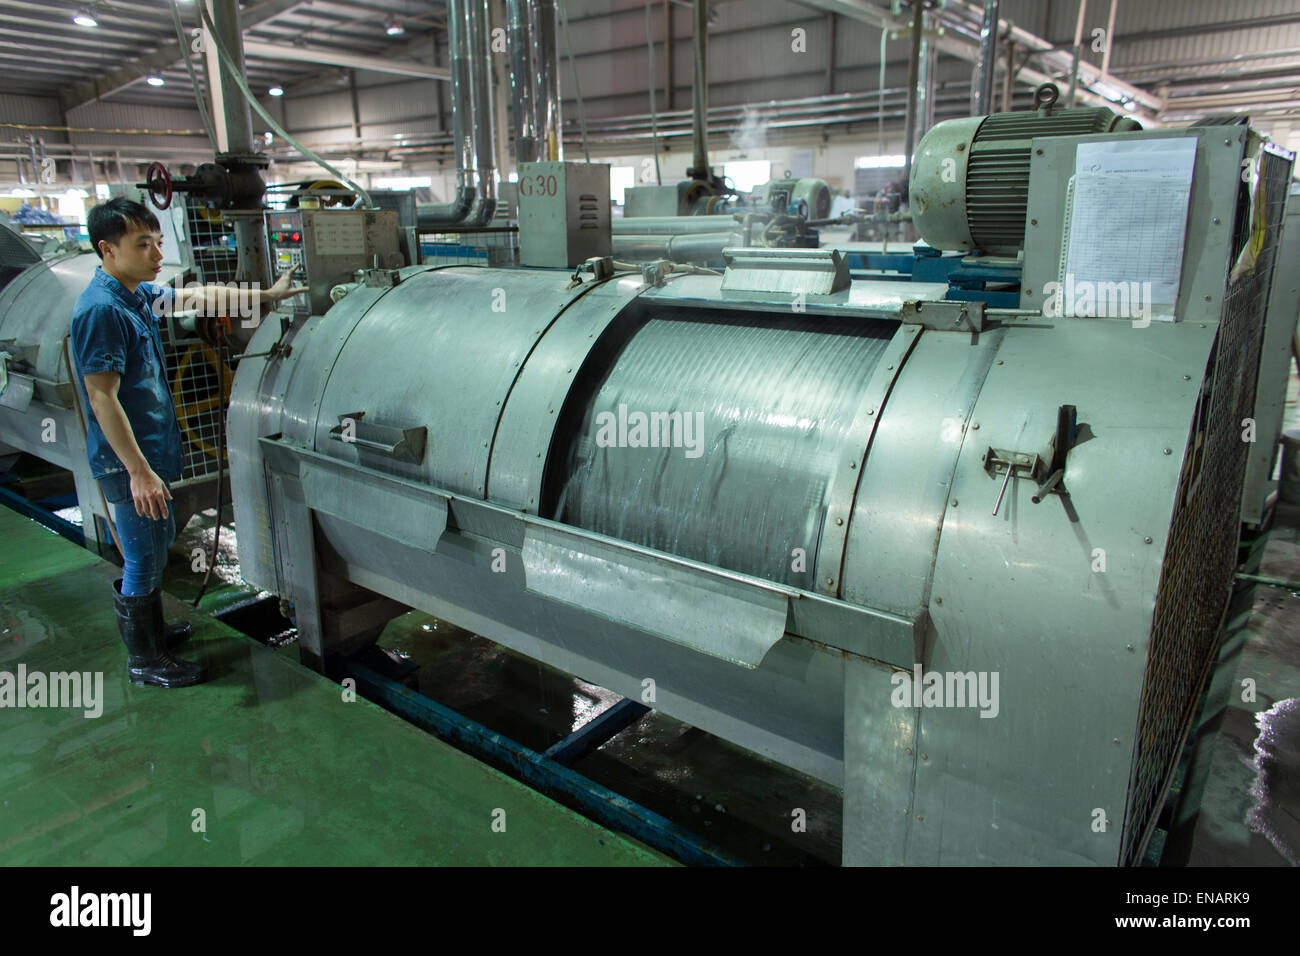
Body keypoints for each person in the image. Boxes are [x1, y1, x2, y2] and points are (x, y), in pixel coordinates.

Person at [70, 197, 305, 688]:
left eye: (158, 241)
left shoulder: (135, 294)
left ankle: (154, 634)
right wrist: (137, 470)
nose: (157, 253)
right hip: (127, 463)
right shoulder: (101, 310)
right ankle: (145, 661)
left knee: (154, 548)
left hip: (150, 452)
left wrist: (268, 294)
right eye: (143, 244)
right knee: (142, 556)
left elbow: (197, 298)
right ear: (106, 249)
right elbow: (101, 397)